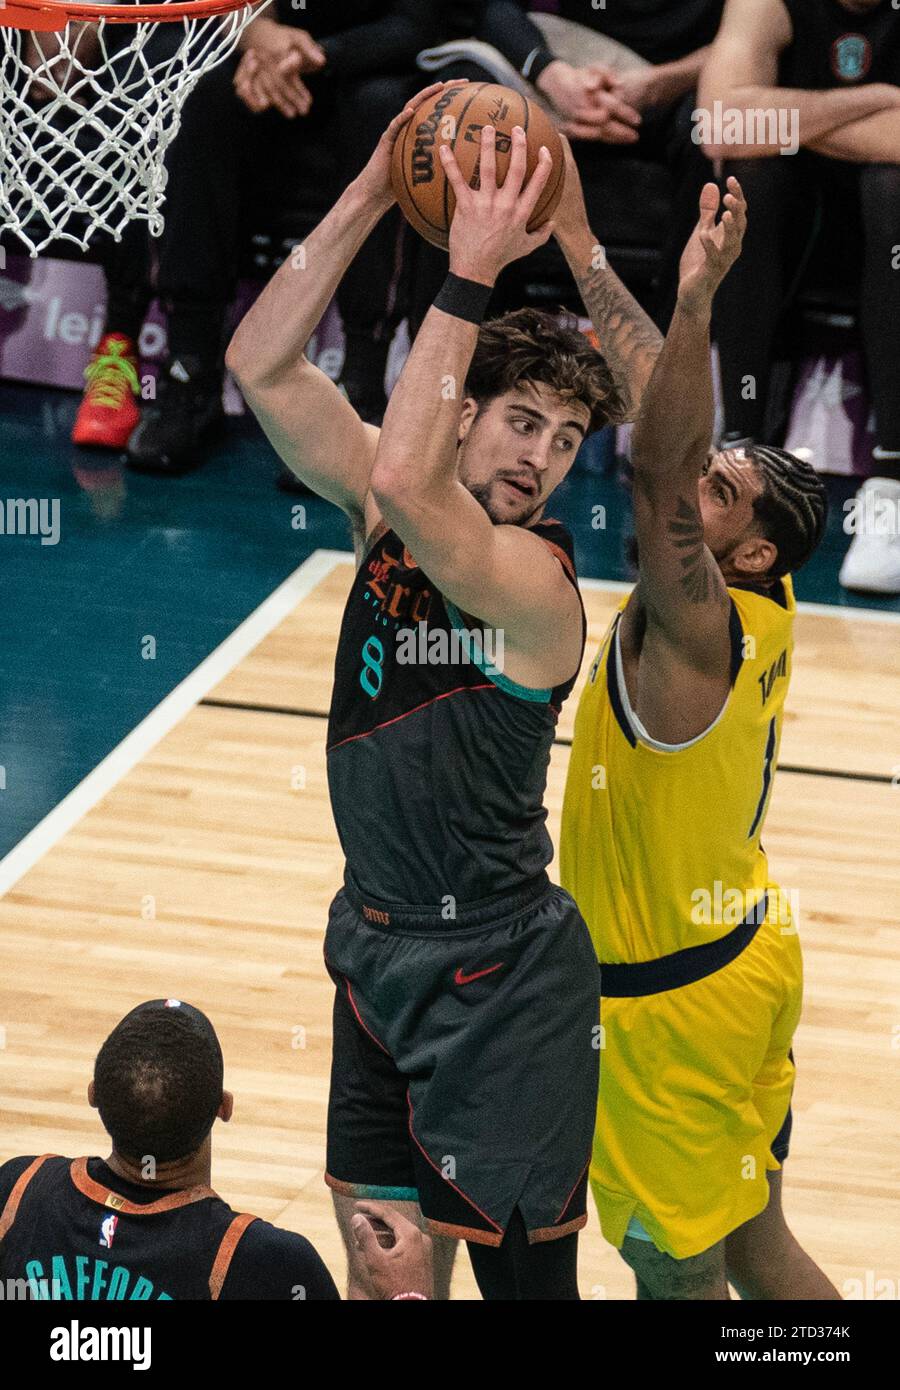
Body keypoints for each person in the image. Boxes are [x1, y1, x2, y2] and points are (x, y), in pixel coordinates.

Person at [226, 80, 669, 1298]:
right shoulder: (387, 490)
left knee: (526, 1294)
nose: (539, 456)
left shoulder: (533, 587)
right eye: (519, 422)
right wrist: (377, 184)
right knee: (384, 1279)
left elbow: (422, 492)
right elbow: (261, 362)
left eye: (566, 439)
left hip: (504, 977)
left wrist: (468, 275)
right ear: (461, 413)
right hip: (373, 944)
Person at [560, 175, 840, 1299]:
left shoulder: (693, 626)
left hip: (668, 1018)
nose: (697, 486)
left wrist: (698, 309)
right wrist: (584, 246)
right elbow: (668, 423)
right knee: (758, 1243)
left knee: (679, 1283)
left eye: (722, 491)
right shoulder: (758, 608)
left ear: (753, 551)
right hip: (748, 955)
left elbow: (657, 462)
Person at [0, 1000, 432, 1300]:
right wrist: (405, 1290)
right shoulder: (269, 1263)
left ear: (94, 1096)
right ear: (224, 1108)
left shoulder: (18, 1189)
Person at [699, 0, 900, 593]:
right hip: (808, 216)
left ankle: (891, 483)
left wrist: (787, 118)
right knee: (748, 180)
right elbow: (719, 124)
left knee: (893, 193)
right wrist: (879, 99)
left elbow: (749, 116)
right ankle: (738, 451)